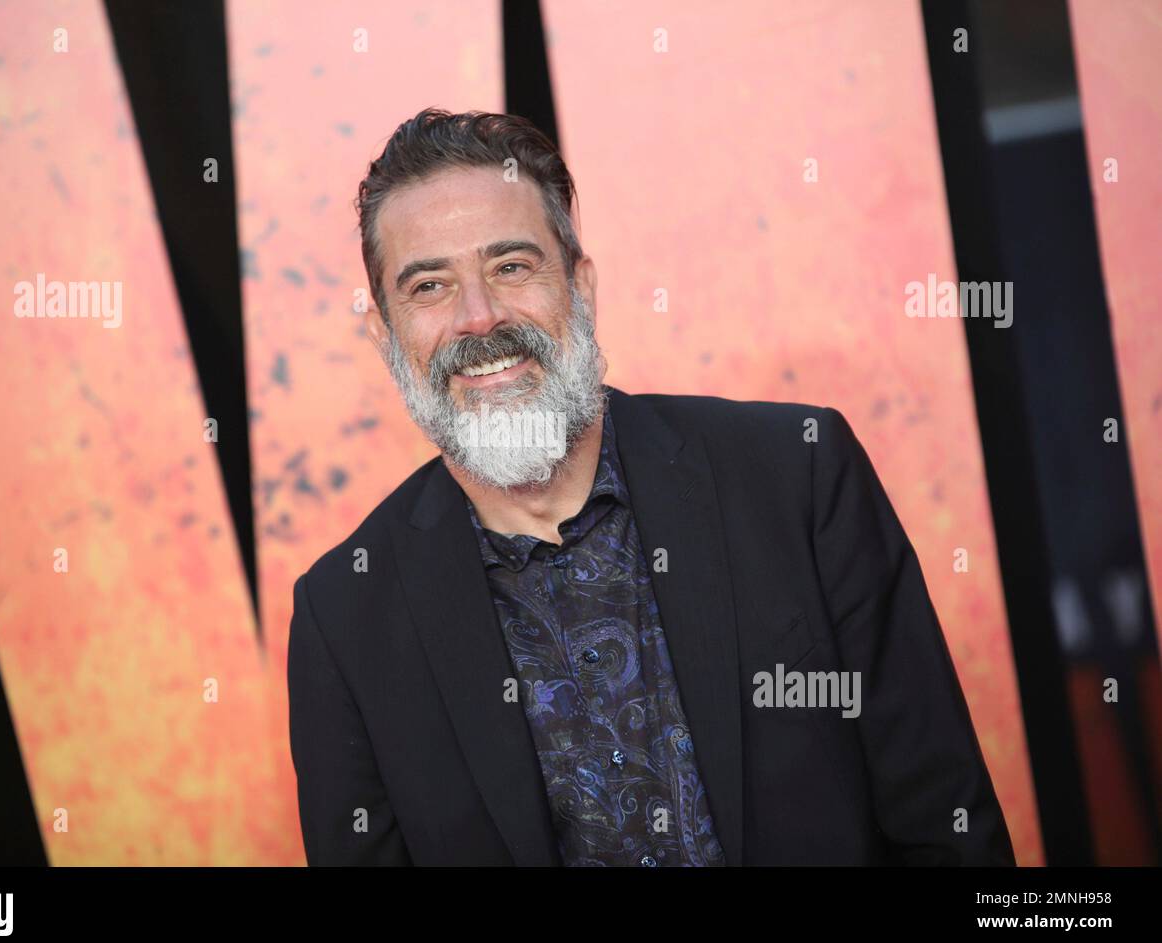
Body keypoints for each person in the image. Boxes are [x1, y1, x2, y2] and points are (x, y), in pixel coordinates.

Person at [287, 108, 1015, 866]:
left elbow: (948, 827)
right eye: (430, 286)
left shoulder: (798, 479)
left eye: (511, 267)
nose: (481, 317)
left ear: (581, 286)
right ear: (385, 336)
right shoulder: (344, 618)